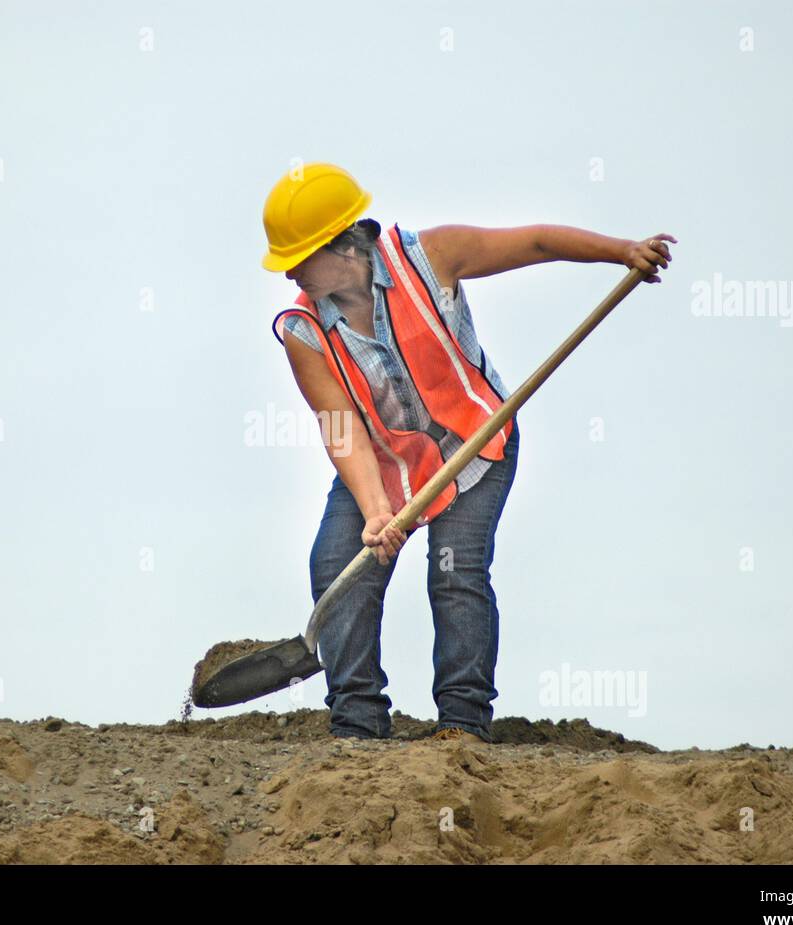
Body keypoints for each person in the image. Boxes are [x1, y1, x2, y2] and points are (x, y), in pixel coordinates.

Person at [260, 162, 675, 743]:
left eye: (299, 260)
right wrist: (377, 510)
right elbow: (341, 427)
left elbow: (533, 243)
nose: (291, 277)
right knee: (337, 568)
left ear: (346, 247)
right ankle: (357, 723)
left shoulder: (430, 258)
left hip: (477, 447)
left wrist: (621, 251)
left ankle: (462, 724)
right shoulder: (303, 329)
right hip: (382, 463)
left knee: (455, 572)